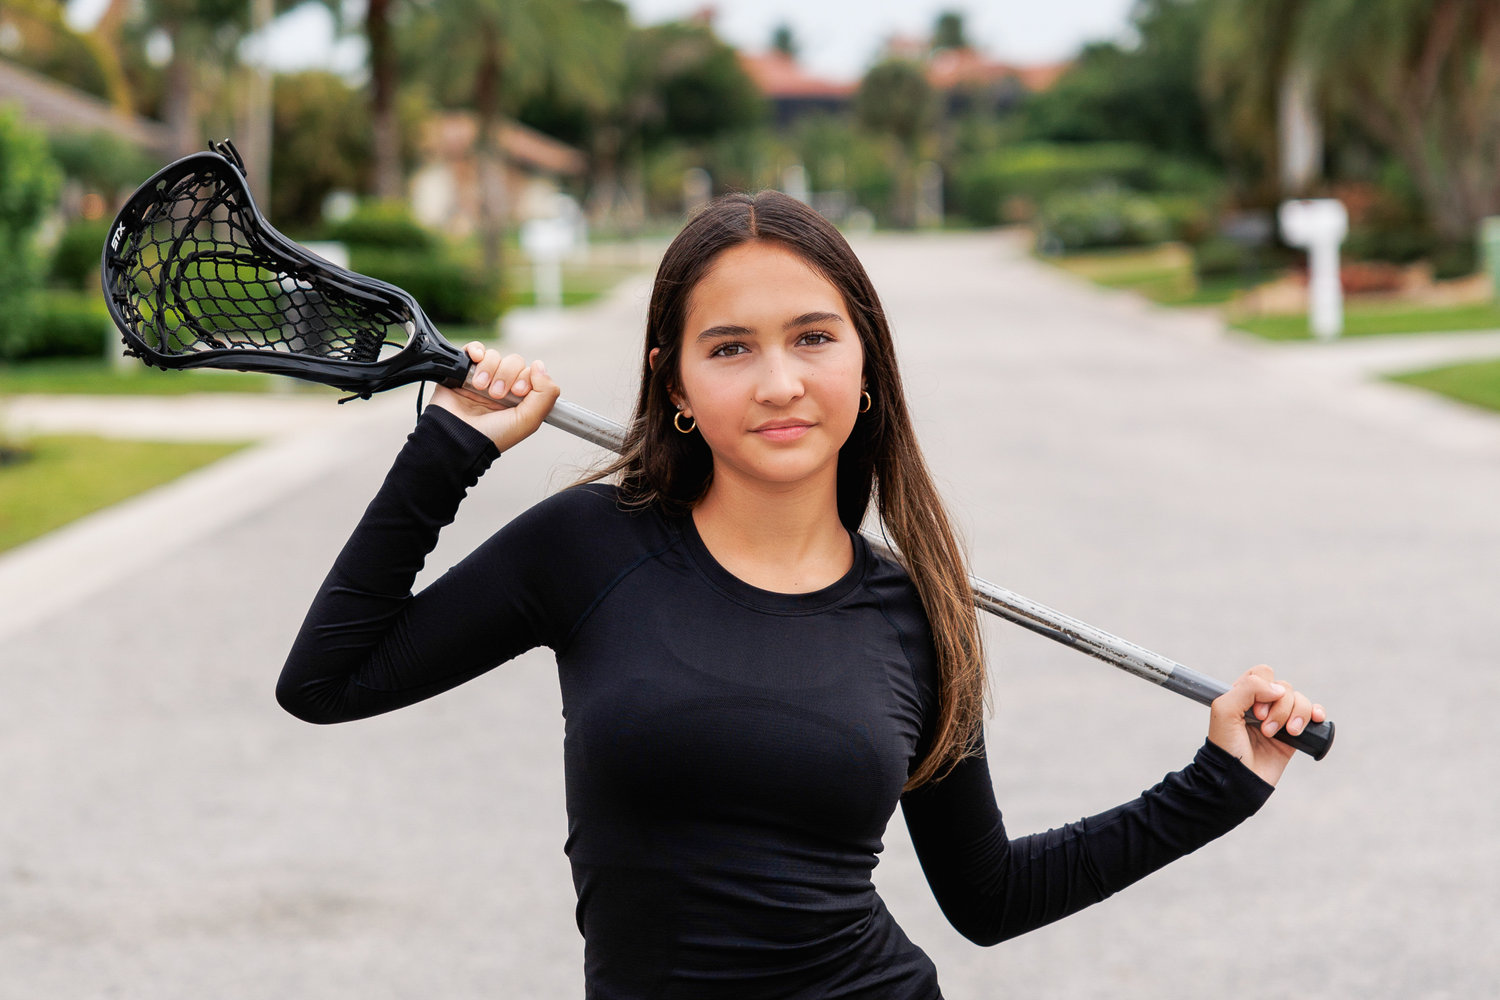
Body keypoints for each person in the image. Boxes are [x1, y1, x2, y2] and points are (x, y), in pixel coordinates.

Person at [278, 191, 1325, 999]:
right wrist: (449, 446)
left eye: (813, 337)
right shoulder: (589, 546)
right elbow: (328, 677)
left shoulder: (919, 613)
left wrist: (1219, 781)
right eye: (730, 348)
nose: (779, 381)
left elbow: (989, 896)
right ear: (675, 382)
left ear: (864, 361)